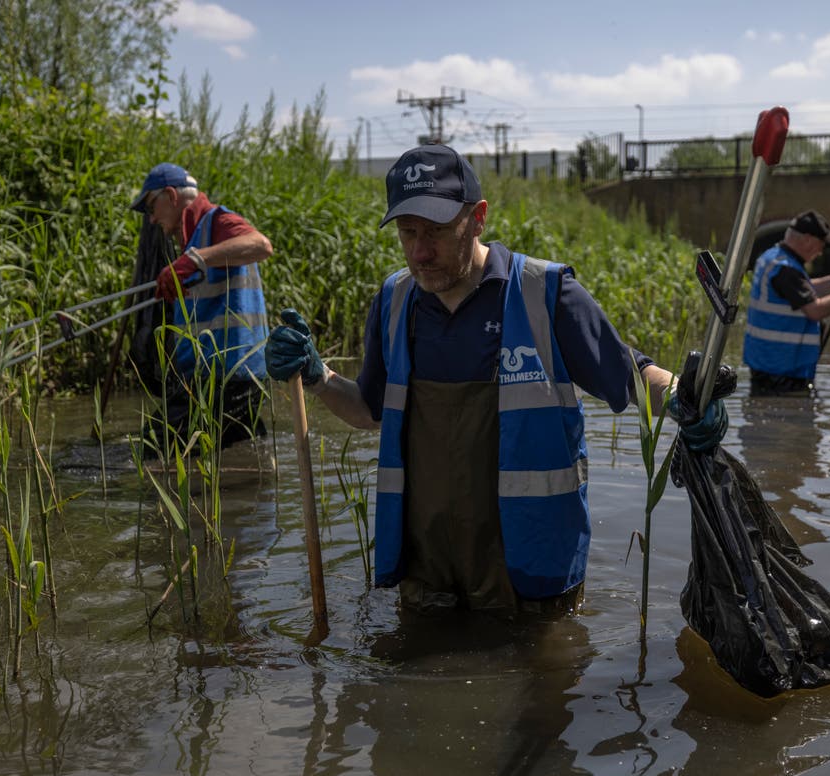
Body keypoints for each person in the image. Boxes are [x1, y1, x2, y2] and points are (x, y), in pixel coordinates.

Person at [265, 143, 725, 616]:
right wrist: (317, 376)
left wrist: (684, 397)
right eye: (407, 232)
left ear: (478, 217)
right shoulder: (394, 300)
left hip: (530, 575)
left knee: (549, 679)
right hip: (429, 577)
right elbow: (368, 410)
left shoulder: (544, 293)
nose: (420, 252)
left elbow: (629, 373)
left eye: (438, 231)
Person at [129, 162, 273, 454]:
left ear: (170, 195)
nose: (152, 219)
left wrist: (194, 260)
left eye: (150, 207)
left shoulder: (214, 221)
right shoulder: (193, 236)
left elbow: (260, 245)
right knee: (233, 452)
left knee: (153, 448)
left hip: (229, 376)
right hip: (212, 377)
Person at [742, 209, 830, 396]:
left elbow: (802, 290)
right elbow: (815, 310)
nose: (821, 252)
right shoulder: (785, 269)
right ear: (807, 239)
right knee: (793, 421)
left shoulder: (773, 258)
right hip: (781, 374)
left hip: (768, 366)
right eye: (821, 245)